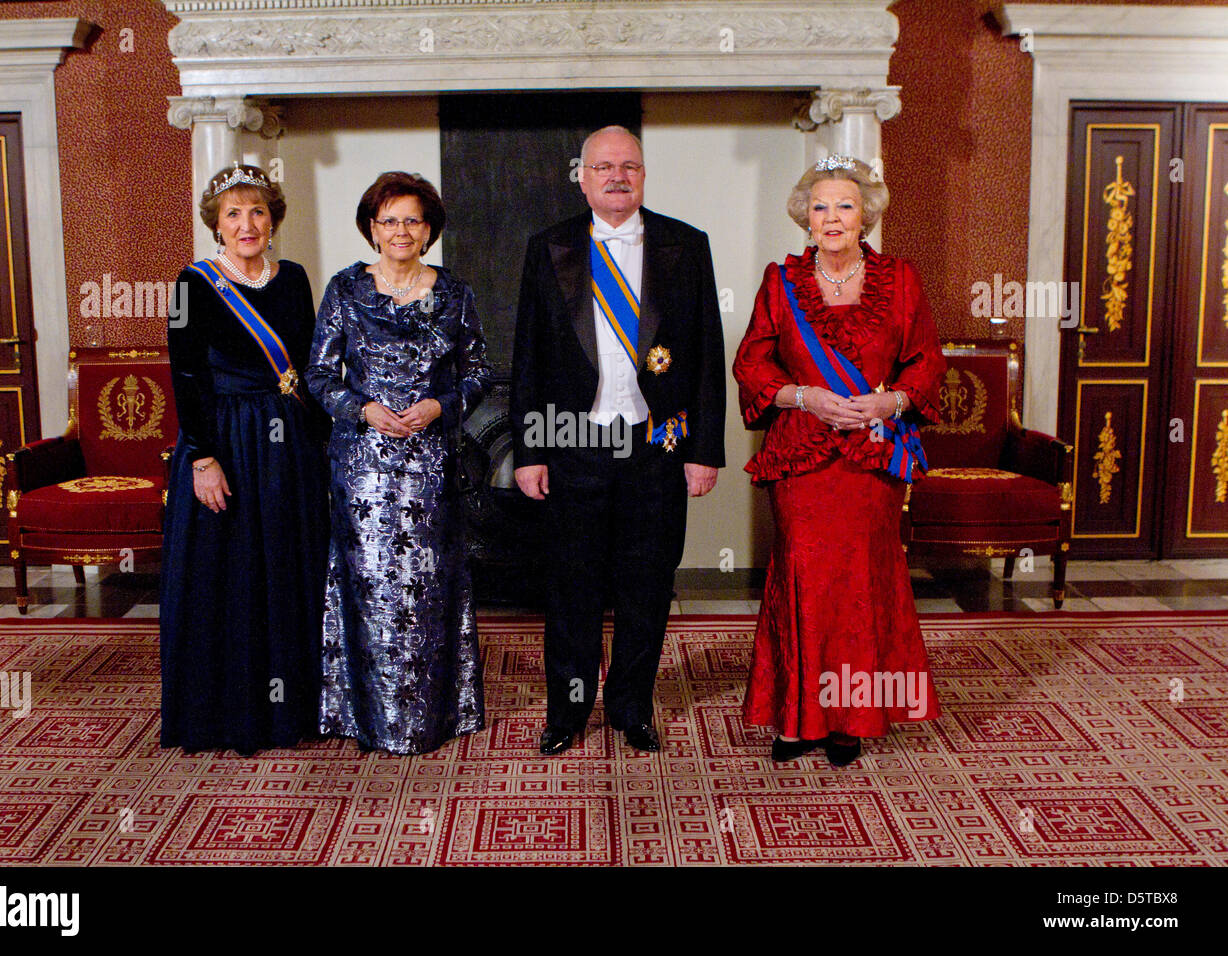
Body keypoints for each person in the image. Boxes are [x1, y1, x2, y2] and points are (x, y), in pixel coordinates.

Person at [510, 125, 727, 756]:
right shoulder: (547, 246)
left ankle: (632, 707)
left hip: (658, 446)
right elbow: (528, 356)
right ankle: (569, 711)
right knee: (572, 586)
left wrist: (704, 450)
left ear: (643, 174)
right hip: (571, 441)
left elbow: (708, 354)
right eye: (604, 166)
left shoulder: (687, 245)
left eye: (629, 165)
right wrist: (529, 451)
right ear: (582, 176)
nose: (617, 176)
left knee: (647, 584)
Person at [732, 154, 946, 767]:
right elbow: (752, 361)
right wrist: (806, 396)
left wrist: (891, 399)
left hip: (872, 458)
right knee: (803, 575)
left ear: (866, 216)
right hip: (803, 455)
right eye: (820, 206)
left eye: (845, 206)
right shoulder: (781, 282)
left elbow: (927, 360)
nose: (832, 217)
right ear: (805, 216)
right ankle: (798, 717)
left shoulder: (900, 280)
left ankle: (850, 714)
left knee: (861, 580)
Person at [307, 171, 491, 755]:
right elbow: (316, 375)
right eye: (389, 221)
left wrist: (440, 405)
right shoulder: (344, 290)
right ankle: (364, 716)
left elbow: (480, 373)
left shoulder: (455, 294)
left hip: (432, 467)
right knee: (368, 586)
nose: (401, 231)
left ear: (429, 228)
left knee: (429, 587)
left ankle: (435, 715)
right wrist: (361, 409)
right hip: (362, 467)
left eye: (412, 220)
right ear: (371, 229)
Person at [161, 164, 330, 755]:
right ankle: (230, 713)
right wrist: (203, 458)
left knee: (287, 562)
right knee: (230, 570)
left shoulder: (294, 278)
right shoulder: (191, 284)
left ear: (273, 218)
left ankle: (296, 710)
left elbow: (307, 364)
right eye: (233, 213)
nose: (247, 223)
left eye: (257, 211)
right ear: (216, 224)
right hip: (226, 439)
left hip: (289, 443)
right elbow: (184, 374)